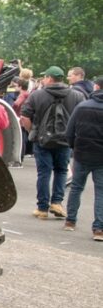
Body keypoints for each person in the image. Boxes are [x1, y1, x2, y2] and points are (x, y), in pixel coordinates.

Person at [20, 66, 86, 219]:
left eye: (45, 77)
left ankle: (42, 208)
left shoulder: (37, 95)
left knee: (44, 173)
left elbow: (25, 117)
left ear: (50, 78)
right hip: (65, 140)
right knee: (61, 171)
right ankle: (57, 202)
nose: (43, 79)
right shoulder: (77, 95)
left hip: (42, 140)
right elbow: (81, 118)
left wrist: (32, 132)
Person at [64, 76, 103, 241]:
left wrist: (74, 147)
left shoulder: (82, 106)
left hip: (81, 153)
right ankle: (99, 228)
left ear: (96, 87)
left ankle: (70, 221)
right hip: (101, 157)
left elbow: (69, 131)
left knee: (76, 188)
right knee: (100, 192)